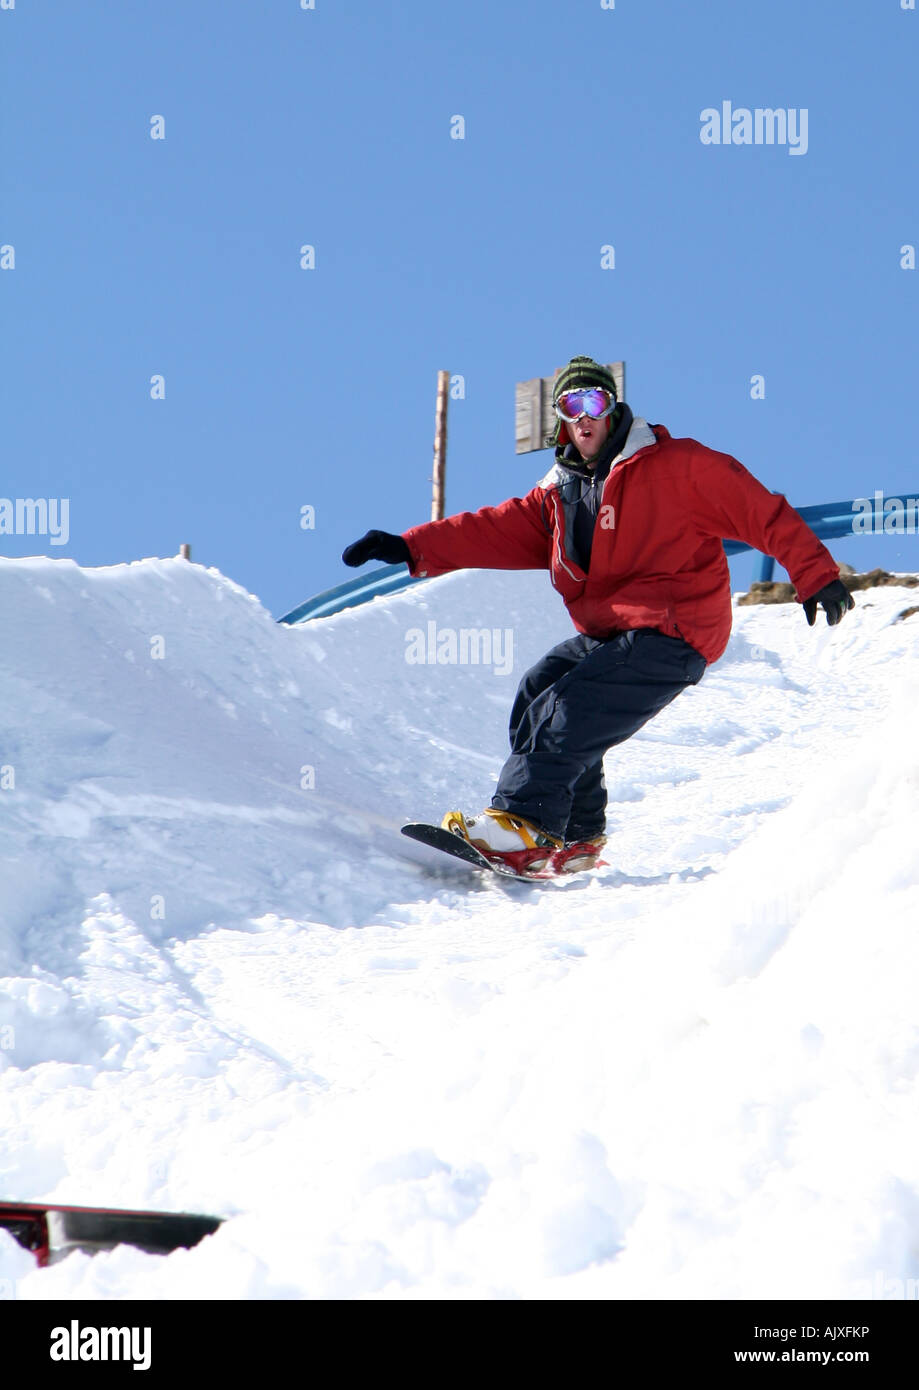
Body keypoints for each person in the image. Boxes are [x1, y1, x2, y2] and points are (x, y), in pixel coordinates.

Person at [342, 355, 854, 876]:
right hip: (613, 632)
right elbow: (491, 529)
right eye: (570, 404)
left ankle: (522, 822)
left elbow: (758, 510)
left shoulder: (677, 466)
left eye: (594, 401)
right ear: (562, 419)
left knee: (569, 705)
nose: (583, 414)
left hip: (674, 628)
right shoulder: (560, 493)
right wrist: (410, 547)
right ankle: (577, 836)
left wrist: (814, 573)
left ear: (613, 409)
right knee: (539, 689)